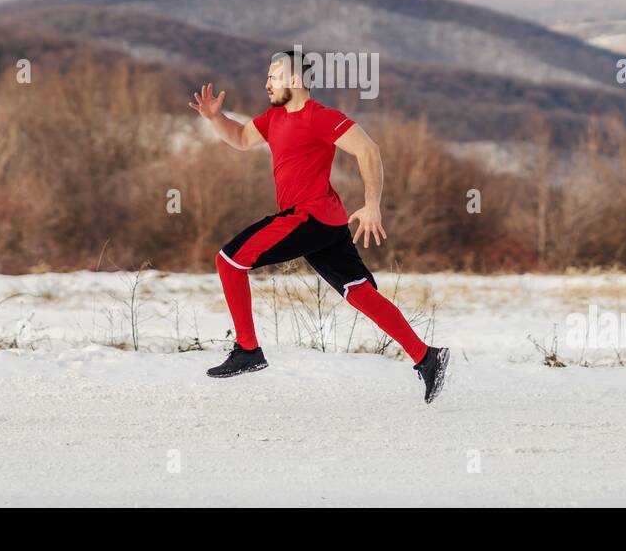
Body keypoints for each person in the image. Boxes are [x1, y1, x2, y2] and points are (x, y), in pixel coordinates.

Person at [188, 50, 451, 403]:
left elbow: (368, 150)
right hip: (326, 220)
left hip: (309, 216)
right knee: (358, 291)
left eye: (273, 76)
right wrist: (215, 118)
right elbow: (240, 139)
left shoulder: (320, 118)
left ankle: (248, 349)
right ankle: (427, 356)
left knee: (229, 260)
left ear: (294, 81)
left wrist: (373, 205)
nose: (266, 83)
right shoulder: (273, 118)